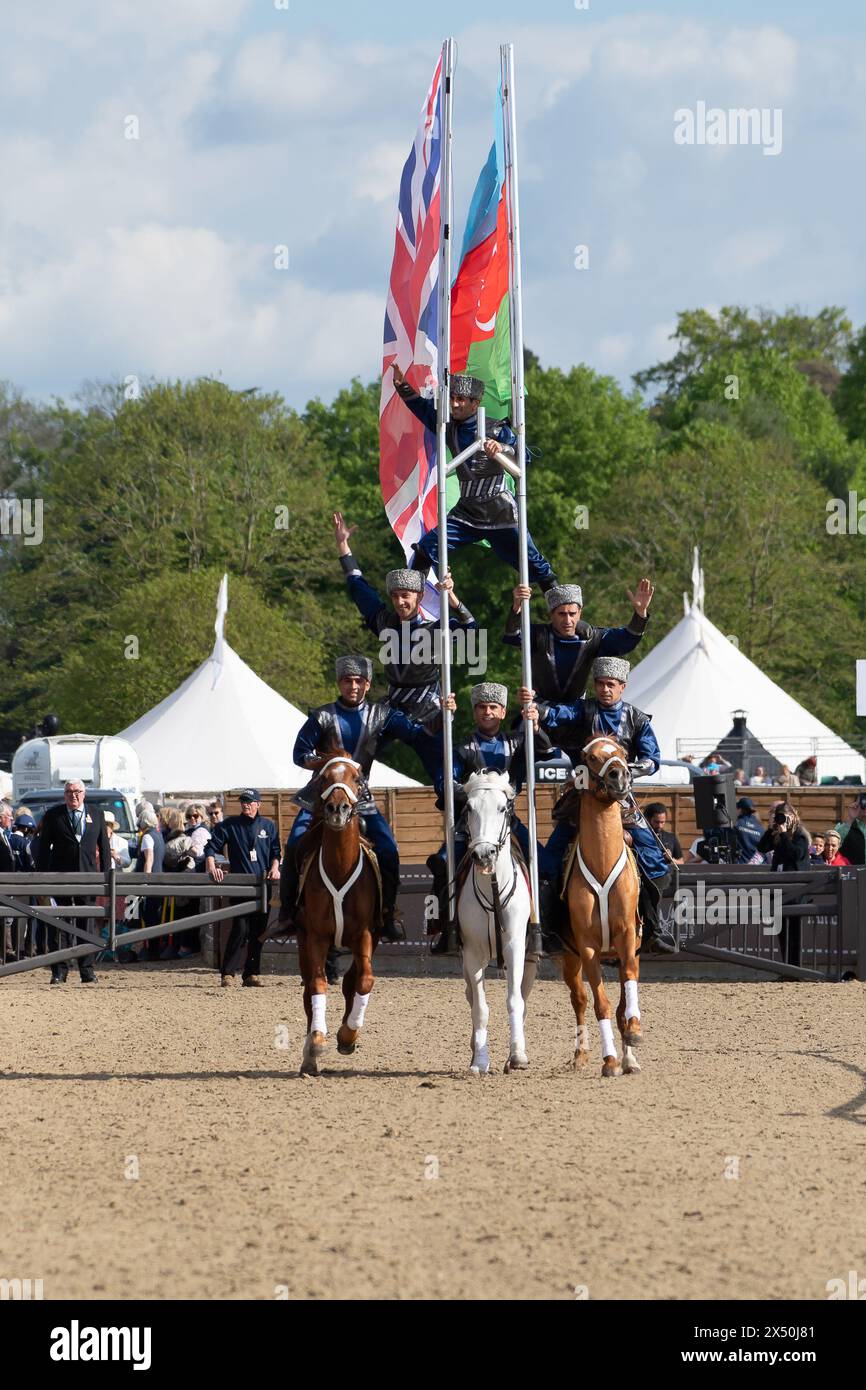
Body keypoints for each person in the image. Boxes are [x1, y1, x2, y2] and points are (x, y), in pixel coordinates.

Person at [280, 655, 436, 944]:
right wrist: (330, 761)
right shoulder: (322, 716)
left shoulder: (382, 715)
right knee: (293, 846)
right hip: (320, 797)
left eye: (359, 681)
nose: (353, 686)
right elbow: (299, 754)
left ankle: (387, 916)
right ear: (339, 683)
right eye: (347, 681)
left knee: (389, 850)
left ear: (368, 684)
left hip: (360, 798)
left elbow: (417, 735)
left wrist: (441, 714)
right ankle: (288, 915)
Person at [532, 657, 677, 954]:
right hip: (583, 797)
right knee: (550, 859)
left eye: (611, 685)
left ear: (622, 687)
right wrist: (538, 709)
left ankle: (653, 926)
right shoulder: (583, 710)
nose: (605, 690)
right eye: (600, 684)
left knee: (655, 860)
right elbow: (559, 713)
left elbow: (653, 759)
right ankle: (548, 930)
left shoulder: (637, 719)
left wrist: (626, 772)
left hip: (622, 800)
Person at [333, 510, 475, 777]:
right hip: (394, 707)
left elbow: (472, 630)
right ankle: (355, 802)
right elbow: (357, 587)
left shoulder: (435, 630)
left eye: (406, 596)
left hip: (429, 709)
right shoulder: (385, 622)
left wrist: (452, 598)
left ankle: (456, 803)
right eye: (396, 596)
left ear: (419, 596)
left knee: (446, 777)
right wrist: (343, 547)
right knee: (355, 756)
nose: (400, 602)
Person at [391, 365, 557, 590]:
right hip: (467, 511)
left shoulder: (497, 429)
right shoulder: (448, 427)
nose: (455, 404)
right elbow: (424, 410)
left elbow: (524, 458)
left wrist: (502, 448)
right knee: (426, 548)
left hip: (501, 511)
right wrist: (403, 387)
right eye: (452, 398)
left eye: (461, 399)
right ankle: (411, 600)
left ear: (475, 404)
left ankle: (564, 612)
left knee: (535, 564)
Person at [427, 682, 551, 956]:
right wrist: (474, 792)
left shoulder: (518, 743)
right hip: (470, 825)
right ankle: (445, 928)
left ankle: (545, 929)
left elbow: (544, 750)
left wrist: (534, 725)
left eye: (493, 707)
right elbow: (445, 784)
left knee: (547, 865)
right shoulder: (461, 748)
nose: (487, 712)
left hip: (508, 823)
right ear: (474, 712)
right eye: (482, 707)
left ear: (504, 712)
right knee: (442, 864)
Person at [503, 578, 653, 712]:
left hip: (576, 714)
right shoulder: (538, 635)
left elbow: (626, 640)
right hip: (538, 711)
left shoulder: (592, 637)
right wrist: (517, 607)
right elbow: (513, 635)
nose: (567, 620)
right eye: (562, 614)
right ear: (551, 614)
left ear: (579, 613)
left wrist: (640, 614)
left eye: (572, 614)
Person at [35, 779, 111, 985]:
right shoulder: (53, 815)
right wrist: (41, 880)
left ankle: (87, 970)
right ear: (64, 795)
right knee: (59, 924)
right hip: (60, 878)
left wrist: (105, 879)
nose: (73, 795)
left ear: (84, 793)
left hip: (88, 879)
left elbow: (104, 847)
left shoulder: (96, 814)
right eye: (69, 792)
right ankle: (59, 970)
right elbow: (43, 849)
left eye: (77, 791)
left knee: (85, 925)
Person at [205, 790, 280, 987]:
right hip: (241, 886)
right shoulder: (230, 825)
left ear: (258, 804)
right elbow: (211, 847)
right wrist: (212, 867)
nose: (245, 805)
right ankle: (228, 973)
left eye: (249, 802)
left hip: (263, 885)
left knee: (259, 931)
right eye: (243, 802)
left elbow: (276, 852)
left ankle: (251, 973)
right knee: (239, 928)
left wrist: (275, 868)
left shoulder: (268, 826)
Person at [133, 805, 166, 962]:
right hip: (160, 880)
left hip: (151, 882)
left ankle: (151, 951)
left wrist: (145, 881)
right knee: (155, 917)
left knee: (149, 917)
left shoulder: (147, 836)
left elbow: (149, 859)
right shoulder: (158, 835)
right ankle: (153, 951)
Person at [734, 797, 766, 864]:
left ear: (740, 809)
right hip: (759, 867)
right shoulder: (761, 828)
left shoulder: (737, 824)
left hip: (742, 866)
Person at [837, 794, 866, 866]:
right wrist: (851, 818)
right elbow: (835, 842)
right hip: (853, 873)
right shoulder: (846, 826)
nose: (865, 807)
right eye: (862, 803)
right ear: (855, 805)